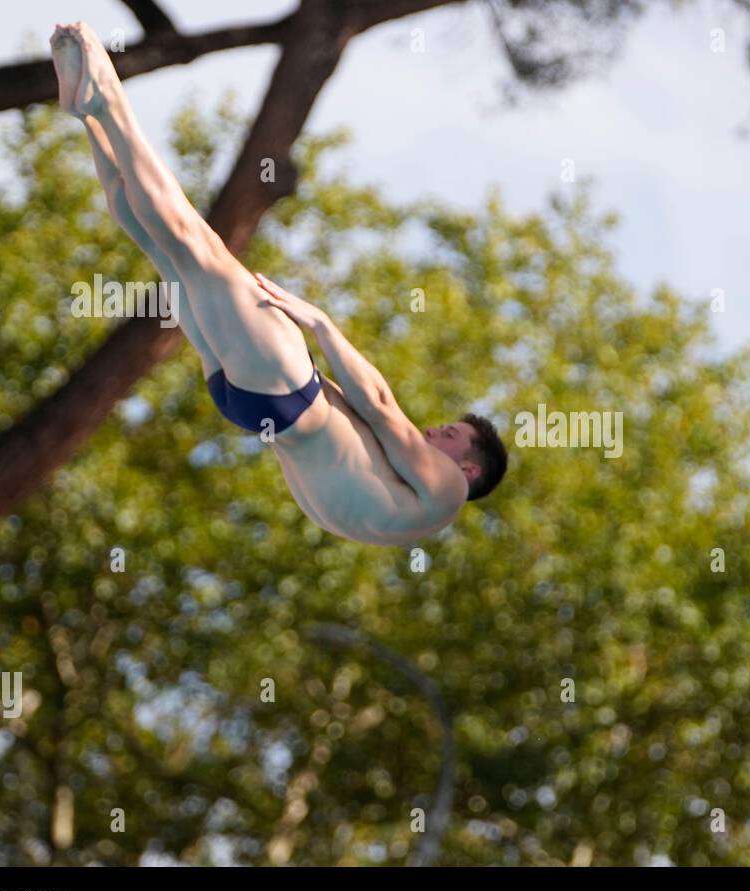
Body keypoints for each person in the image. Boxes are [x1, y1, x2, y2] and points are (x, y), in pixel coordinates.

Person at [49, 22, 506, 546]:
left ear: (470, 470)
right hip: (246, 402)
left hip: (288, 391)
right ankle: (92, 119)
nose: (430, 432)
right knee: (165, 250)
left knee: (193, 242)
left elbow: (380, 404)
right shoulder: (399, 520)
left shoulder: (446, 491)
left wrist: (322, 325)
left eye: (449, 436)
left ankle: (106, 99)